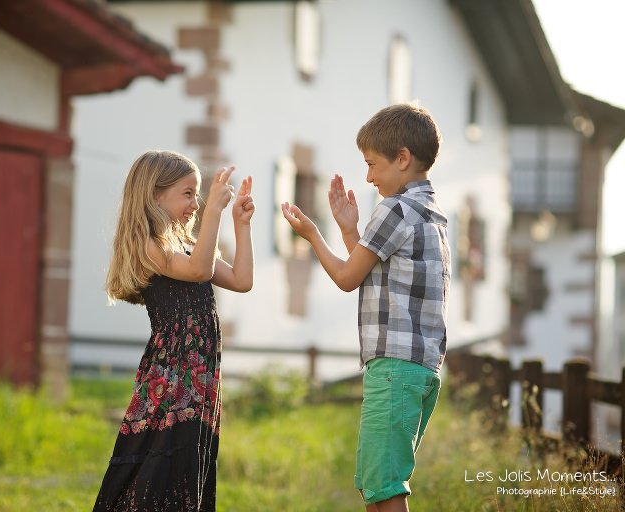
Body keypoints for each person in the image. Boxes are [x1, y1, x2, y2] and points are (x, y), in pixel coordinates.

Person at [281, 104, 450, 512]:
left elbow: (347, 277)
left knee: (385, 489)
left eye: (372, 165)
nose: (369, 177)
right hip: (420, 369)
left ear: (403, 158)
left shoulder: (394, 209)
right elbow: (374, 267)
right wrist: (349, 230)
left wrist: (313, 235)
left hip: (393, 368)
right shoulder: (432, 214)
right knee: (376, 487)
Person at [93, 150, 255, 512]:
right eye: (188, 194)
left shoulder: (188, 246)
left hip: (199, 374)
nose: (196, 204)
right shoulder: (150, 246)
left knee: (186, 459)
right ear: (155, 195)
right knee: (157, 457)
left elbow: (241, 280)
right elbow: (199, 271)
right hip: (172, 372)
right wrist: (213, 211)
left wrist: (240, 225)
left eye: (198, 195)